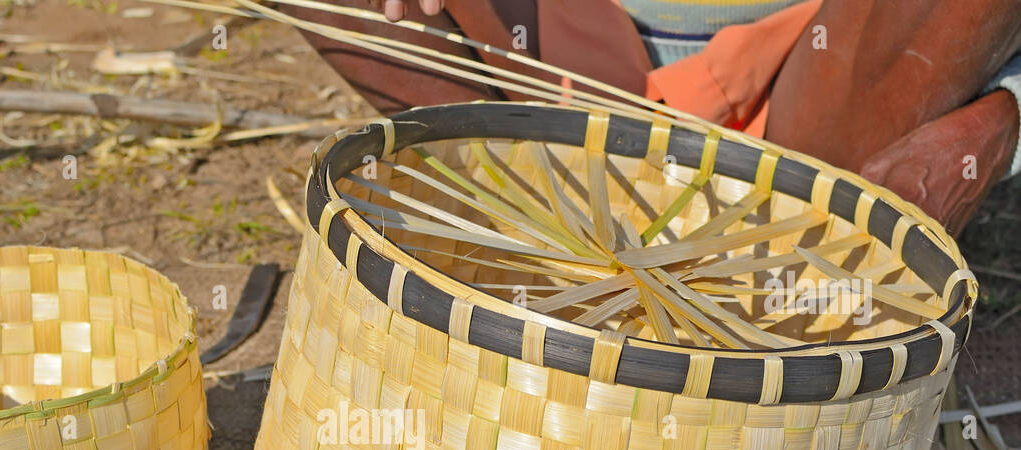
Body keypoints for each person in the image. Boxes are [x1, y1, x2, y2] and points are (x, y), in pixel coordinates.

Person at [296, 0, 1021, 235]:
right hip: (548, 64)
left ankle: (798, 272)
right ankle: (539, 241)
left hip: (837, 79)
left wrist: (1000, 116)